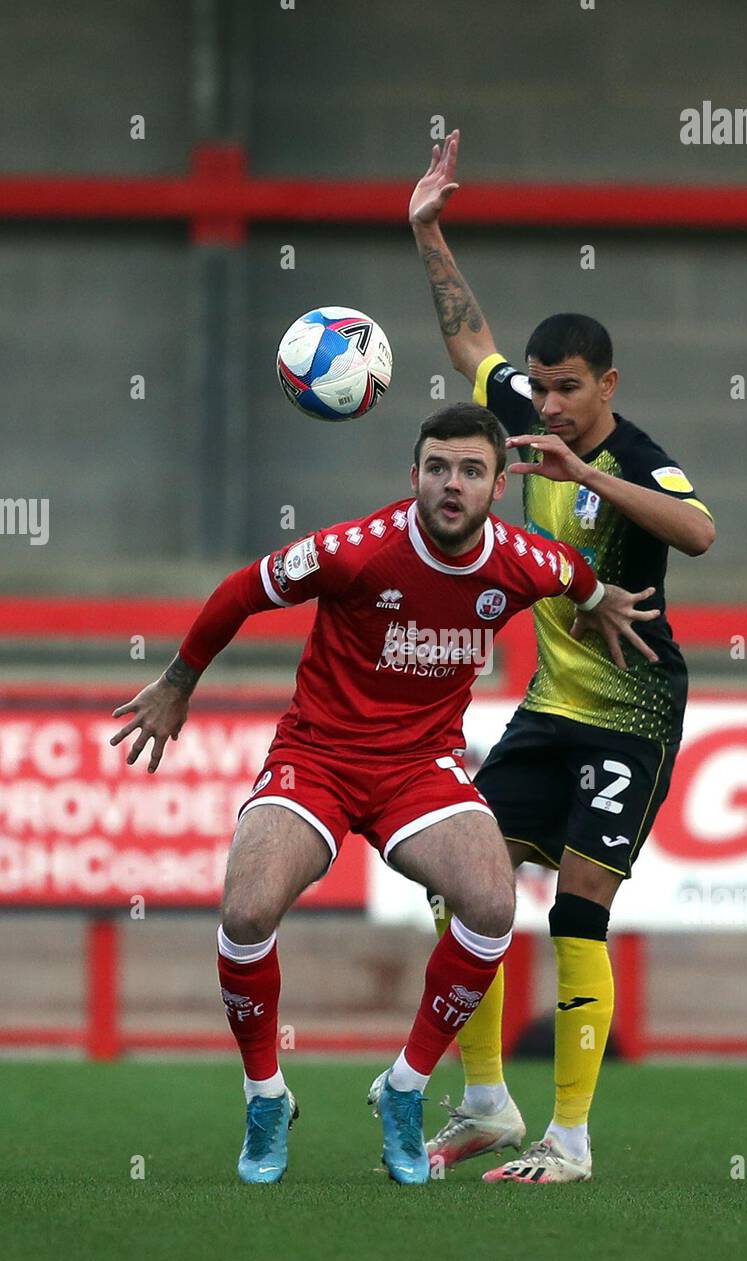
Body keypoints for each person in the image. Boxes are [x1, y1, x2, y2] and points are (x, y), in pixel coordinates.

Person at [109, 403, 659, 1186]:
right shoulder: (355, 552)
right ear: (414, 476)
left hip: (420, 769)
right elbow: (241, 590)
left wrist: (600, 597)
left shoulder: (524, 561)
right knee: (245, 910)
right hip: (318, 757)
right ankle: (265, 1094)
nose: (451, 484)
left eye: (471, 470)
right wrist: (176, 683)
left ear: (498, 487)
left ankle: (405, 1087)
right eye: (437, 467)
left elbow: (576, 576)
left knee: (492, 904)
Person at [409, 132, 716, 1183]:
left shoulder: (634, 457)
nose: (546, 407)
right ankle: (488, 1102)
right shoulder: (523, 416)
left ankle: (572, 1140)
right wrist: (428, 228)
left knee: (578, 905)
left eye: (567, 389)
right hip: (549, 704)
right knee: (466, 884)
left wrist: (590, 468)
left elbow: (699, 532)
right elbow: (468, 342)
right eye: (539, 390)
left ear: (607, 384)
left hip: (634, 707)